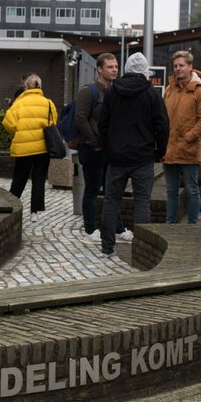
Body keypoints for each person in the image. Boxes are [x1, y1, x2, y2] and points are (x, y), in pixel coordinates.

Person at [98, 52, 169, 257]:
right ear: (145, 70)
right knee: (142, 201)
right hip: (143, 157)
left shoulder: (112, 92)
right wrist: (159, 152)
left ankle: (107, 247)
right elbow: (163, 125)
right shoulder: (152, 94)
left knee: (111, 200)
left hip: (117, 157)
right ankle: (141, 248)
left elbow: (102, 124)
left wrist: (108, 147)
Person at [75, 53, 127, 243]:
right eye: (110, 67)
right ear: (99, 69)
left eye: (116, 66)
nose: (114, 69)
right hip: (93, 150)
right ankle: (90, 229)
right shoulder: (88, 91)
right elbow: (80, 118)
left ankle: (119, 228)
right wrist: (94, 143)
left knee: (112, 191)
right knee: (92, 189)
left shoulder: (116, 91)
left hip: (111, 149)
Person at [162, 50, 201, 223]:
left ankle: (192, 227)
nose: (178, 69)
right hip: (169, 148)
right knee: (171, 191)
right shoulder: (169, 89)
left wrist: (189, 137)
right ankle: (170, 226)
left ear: (190, 67)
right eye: (175, 66)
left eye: (181, 65)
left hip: (188, 148)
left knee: (192, 189)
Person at [2, 74, 57, 215]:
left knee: (19, 178)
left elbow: (8, 124)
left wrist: (19, 129)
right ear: (40, 86)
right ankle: (35, 211)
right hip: (43, 148)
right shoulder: (49, 103)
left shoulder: (18, 104)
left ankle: (12, 206)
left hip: (23, 148)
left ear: (26, 86)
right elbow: (53, 122)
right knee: (39, 179)